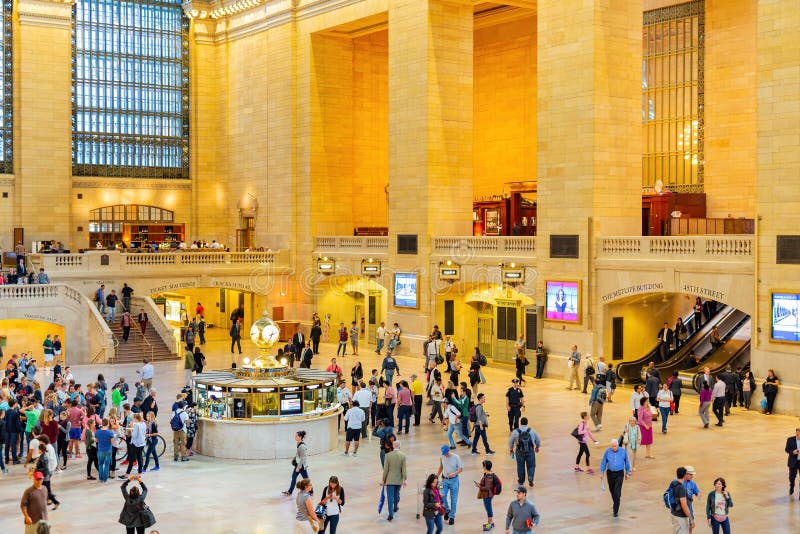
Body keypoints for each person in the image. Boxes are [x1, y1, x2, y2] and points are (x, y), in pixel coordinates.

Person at [599, 438, 630, 517]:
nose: (614, 448)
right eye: (612, 446)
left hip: (619, 473)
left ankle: (615, 510)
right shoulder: (607, 451)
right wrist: (601, 472)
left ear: (618, 445)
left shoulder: (622, 451)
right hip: (610, 473)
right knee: (612, 490)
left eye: (615, 446)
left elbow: (627, 461)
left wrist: (627, 472)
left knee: (617, 491)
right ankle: (616, 502)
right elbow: (603, 462)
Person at [509, 417, 540, 487]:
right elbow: (538, 440)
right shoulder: (532, 431)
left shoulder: (516, 431)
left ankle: (521, 481)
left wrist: (511, 449)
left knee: (520, 466)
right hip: (530, 451)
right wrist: (537, 447)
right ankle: (530, 476)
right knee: (531, 465)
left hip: (519, 451)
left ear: (520, 423)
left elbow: (510, 441)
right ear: (527, 423)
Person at [436, 445, 462, 526]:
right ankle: (447, 510)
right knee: (441, 495)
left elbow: (461, 469)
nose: (445, 455)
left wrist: (453, 474)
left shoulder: (456, 457)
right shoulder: (442, 457)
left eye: (446, 453)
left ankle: (452, 517)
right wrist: (436, 476)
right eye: (443, 453)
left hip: (454, 480)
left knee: (453, 500)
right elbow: (441, 467)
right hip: (444, 481)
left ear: (449, 450)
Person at [382, 440, 407, 522]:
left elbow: (385, 469)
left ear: (393, 446)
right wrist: (405, 479)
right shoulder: (403, 456)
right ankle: (395, 506)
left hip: (390, 479)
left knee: (390, 497)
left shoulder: (388, 456)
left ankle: (391, 514)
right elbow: (404, 469)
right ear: (400, 446)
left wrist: (383, 479)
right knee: (397, 495)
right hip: (398, 480)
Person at [669, 466, 695, 534]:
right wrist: (691, 518)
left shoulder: (673, 483)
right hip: (680, 517)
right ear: (684, 475)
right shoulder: (681, 488)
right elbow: (684, 505)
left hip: (673, 514)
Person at [474, 459, 499, 532]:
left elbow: (487, 488)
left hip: (487, 495)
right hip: (489, 494)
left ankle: (490, 523)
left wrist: (479, 486)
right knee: (488, 508)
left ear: (485, 467)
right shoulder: (488, 474)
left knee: (488, 509)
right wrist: (480, 484)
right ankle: (491, 522)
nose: (482, 467)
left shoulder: (488, 476)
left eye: (483, 466)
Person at [283, 431, 309, 496]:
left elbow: (303, 458)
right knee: (294, 477)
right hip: (298, 464)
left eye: (296, 436)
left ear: (300, 437)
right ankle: (290, 491)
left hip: (301, 466)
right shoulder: (298, 444)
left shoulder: (302, 446)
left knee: (306, 479)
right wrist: (294, 458)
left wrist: (299, 467)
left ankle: (311, 491)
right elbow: (299, 454)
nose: (295, 437)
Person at [786, 427, 800, 498]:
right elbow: (786, 449)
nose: (798, 436)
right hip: (793, 462)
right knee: (792, 477)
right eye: (797, 434)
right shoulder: (790, 439)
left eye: (799, 435)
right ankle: (792, 486)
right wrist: (792, 452)